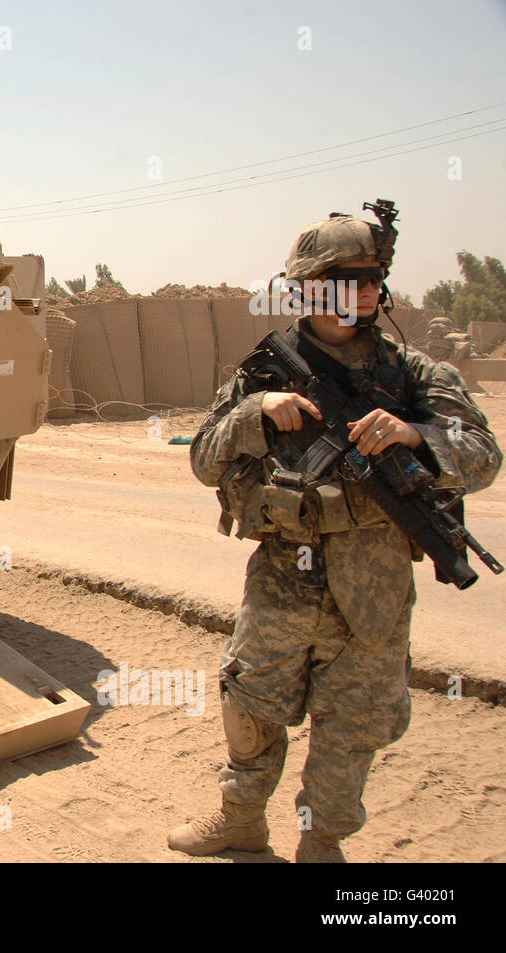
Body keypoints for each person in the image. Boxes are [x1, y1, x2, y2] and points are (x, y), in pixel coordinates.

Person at [170, 209, 502, 862]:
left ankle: (322, 843)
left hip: (373, 585)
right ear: (308, 289)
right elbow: (205, 457)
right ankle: (239, 820)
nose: (368, 291)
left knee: (353, 726)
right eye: (349, 278)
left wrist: (416, 435)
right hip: (281, 580)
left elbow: (484, 454)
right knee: (251, 703)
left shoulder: (413, 375)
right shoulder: (265, 372)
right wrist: (251, 414)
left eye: (374, 278)